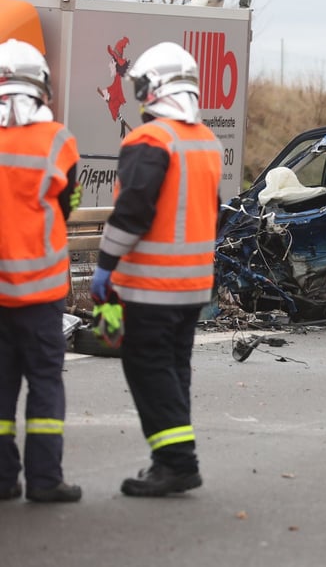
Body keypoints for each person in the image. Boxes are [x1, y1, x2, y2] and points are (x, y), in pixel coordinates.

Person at [90, 42, 222, 497]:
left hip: (151, 285)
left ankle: (178, 463)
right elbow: (211, 211)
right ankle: (168, 460)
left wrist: (105, 266)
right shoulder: (206, 140)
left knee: (148, 368)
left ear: (154, 89)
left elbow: (132, 214)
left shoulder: (148, 141)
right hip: (192, 287)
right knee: (172, 370)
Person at [0, 39, 82, 503]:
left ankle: (2, 478)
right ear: (41, 87)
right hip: (41, 292)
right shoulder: (56, 140)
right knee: (45, 385)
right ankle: (46, 479)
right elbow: (68, 202)